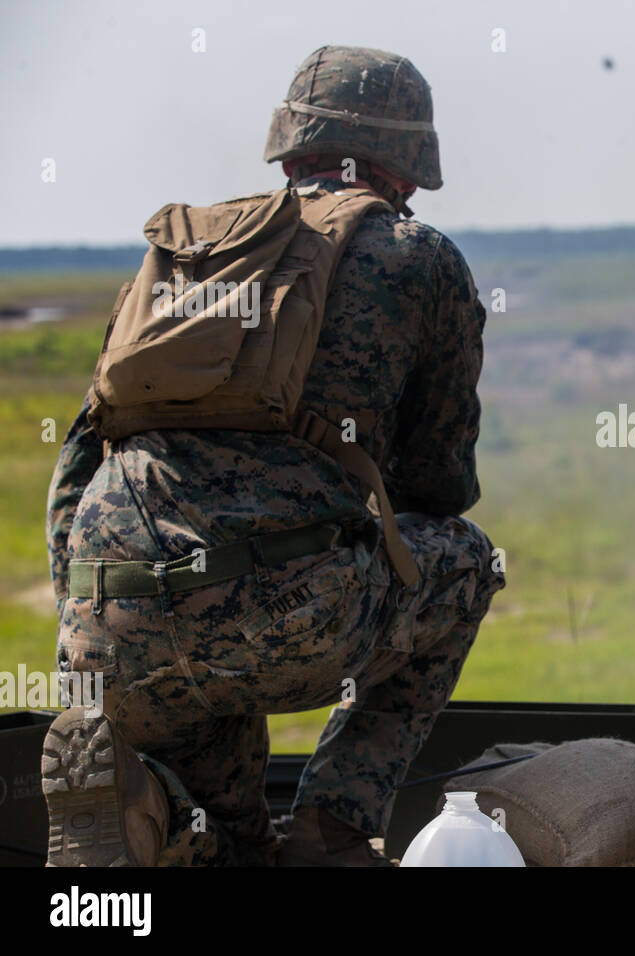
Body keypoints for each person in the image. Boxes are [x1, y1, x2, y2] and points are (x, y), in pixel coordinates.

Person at [42, 45, 504, 867]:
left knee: (215, 765)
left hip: (108, 621)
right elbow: (440, 487)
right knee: (465, 561)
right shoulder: (416, 255)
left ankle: (159, 811)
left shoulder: (191, 250)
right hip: (286, 615)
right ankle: (331, 827)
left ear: (290, 152)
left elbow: (80, 459)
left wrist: (90, 628)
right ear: (407, 166)